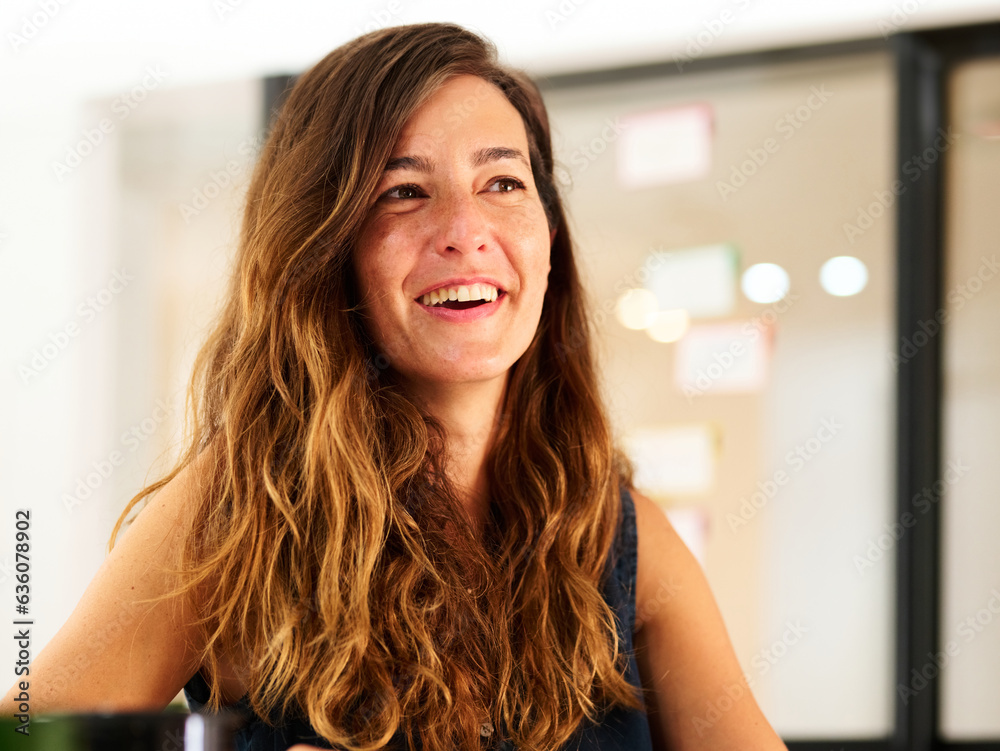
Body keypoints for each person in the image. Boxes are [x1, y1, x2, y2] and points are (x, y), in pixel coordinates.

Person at [1, 22, 788, 751]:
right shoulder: (242, 506)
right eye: (402, 191)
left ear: (549, 237)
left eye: (504, 183)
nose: (465, 228)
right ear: (327, 244)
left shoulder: (621, 533)